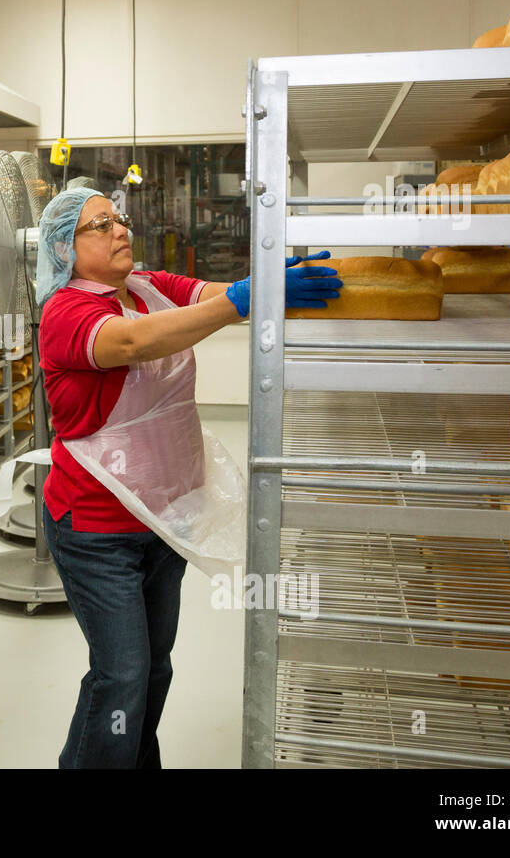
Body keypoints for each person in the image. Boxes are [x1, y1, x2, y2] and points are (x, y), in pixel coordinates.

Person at [34, 187, 340, 768]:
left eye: (119, 218)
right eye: (100, 225)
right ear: (64, 248)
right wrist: (246, 301)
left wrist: (271, 284)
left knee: (152, 666)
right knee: (122, 672)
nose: (120, 229)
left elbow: (212, 298)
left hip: (165, 517)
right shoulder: (65, 312)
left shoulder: (149, 288)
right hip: (95, 526)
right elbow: (131, 342)